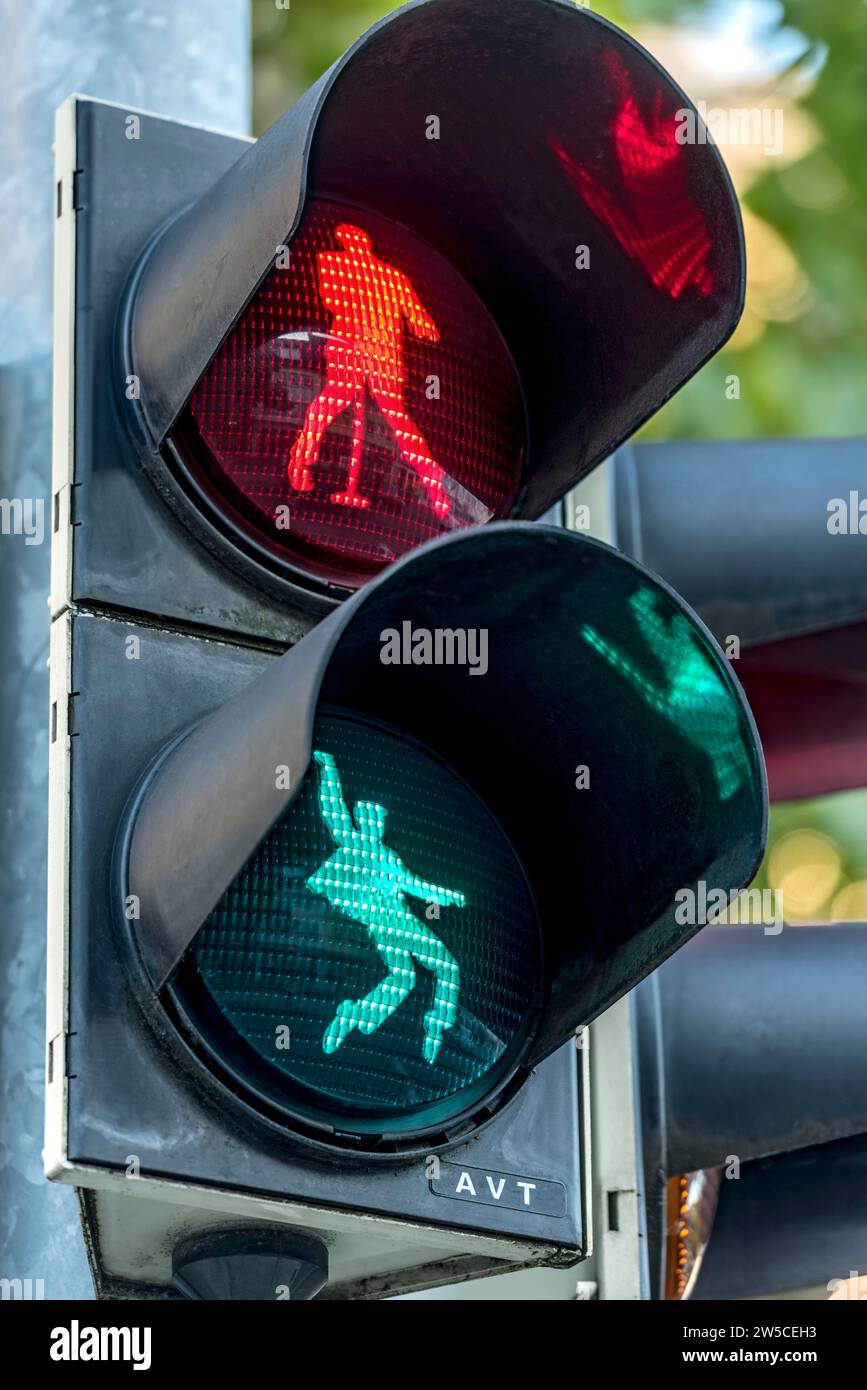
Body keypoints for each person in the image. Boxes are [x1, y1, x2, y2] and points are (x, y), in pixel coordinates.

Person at [307, 749, 465, 1065]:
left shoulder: (386, 856)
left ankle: (354, 1014)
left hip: (386, 923)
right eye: (374, 818)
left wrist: (447, 895)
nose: (379, 823)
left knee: (404, 977)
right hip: (394, 920)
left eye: (380, 819)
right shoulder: (354, 843)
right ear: (366, 821)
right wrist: (329, 768)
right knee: (446, 967)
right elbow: (332, 806)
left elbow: (416, 885)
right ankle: (435, 1026)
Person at [288, 223, 450, 516]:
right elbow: (426, 328)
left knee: (328, 405)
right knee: (397, 422)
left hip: (350, 348)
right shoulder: (393, 277)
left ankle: (301, 461)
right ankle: (434, 486)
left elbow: (333, 301)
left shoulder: (333, 263)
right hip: (379, 354)